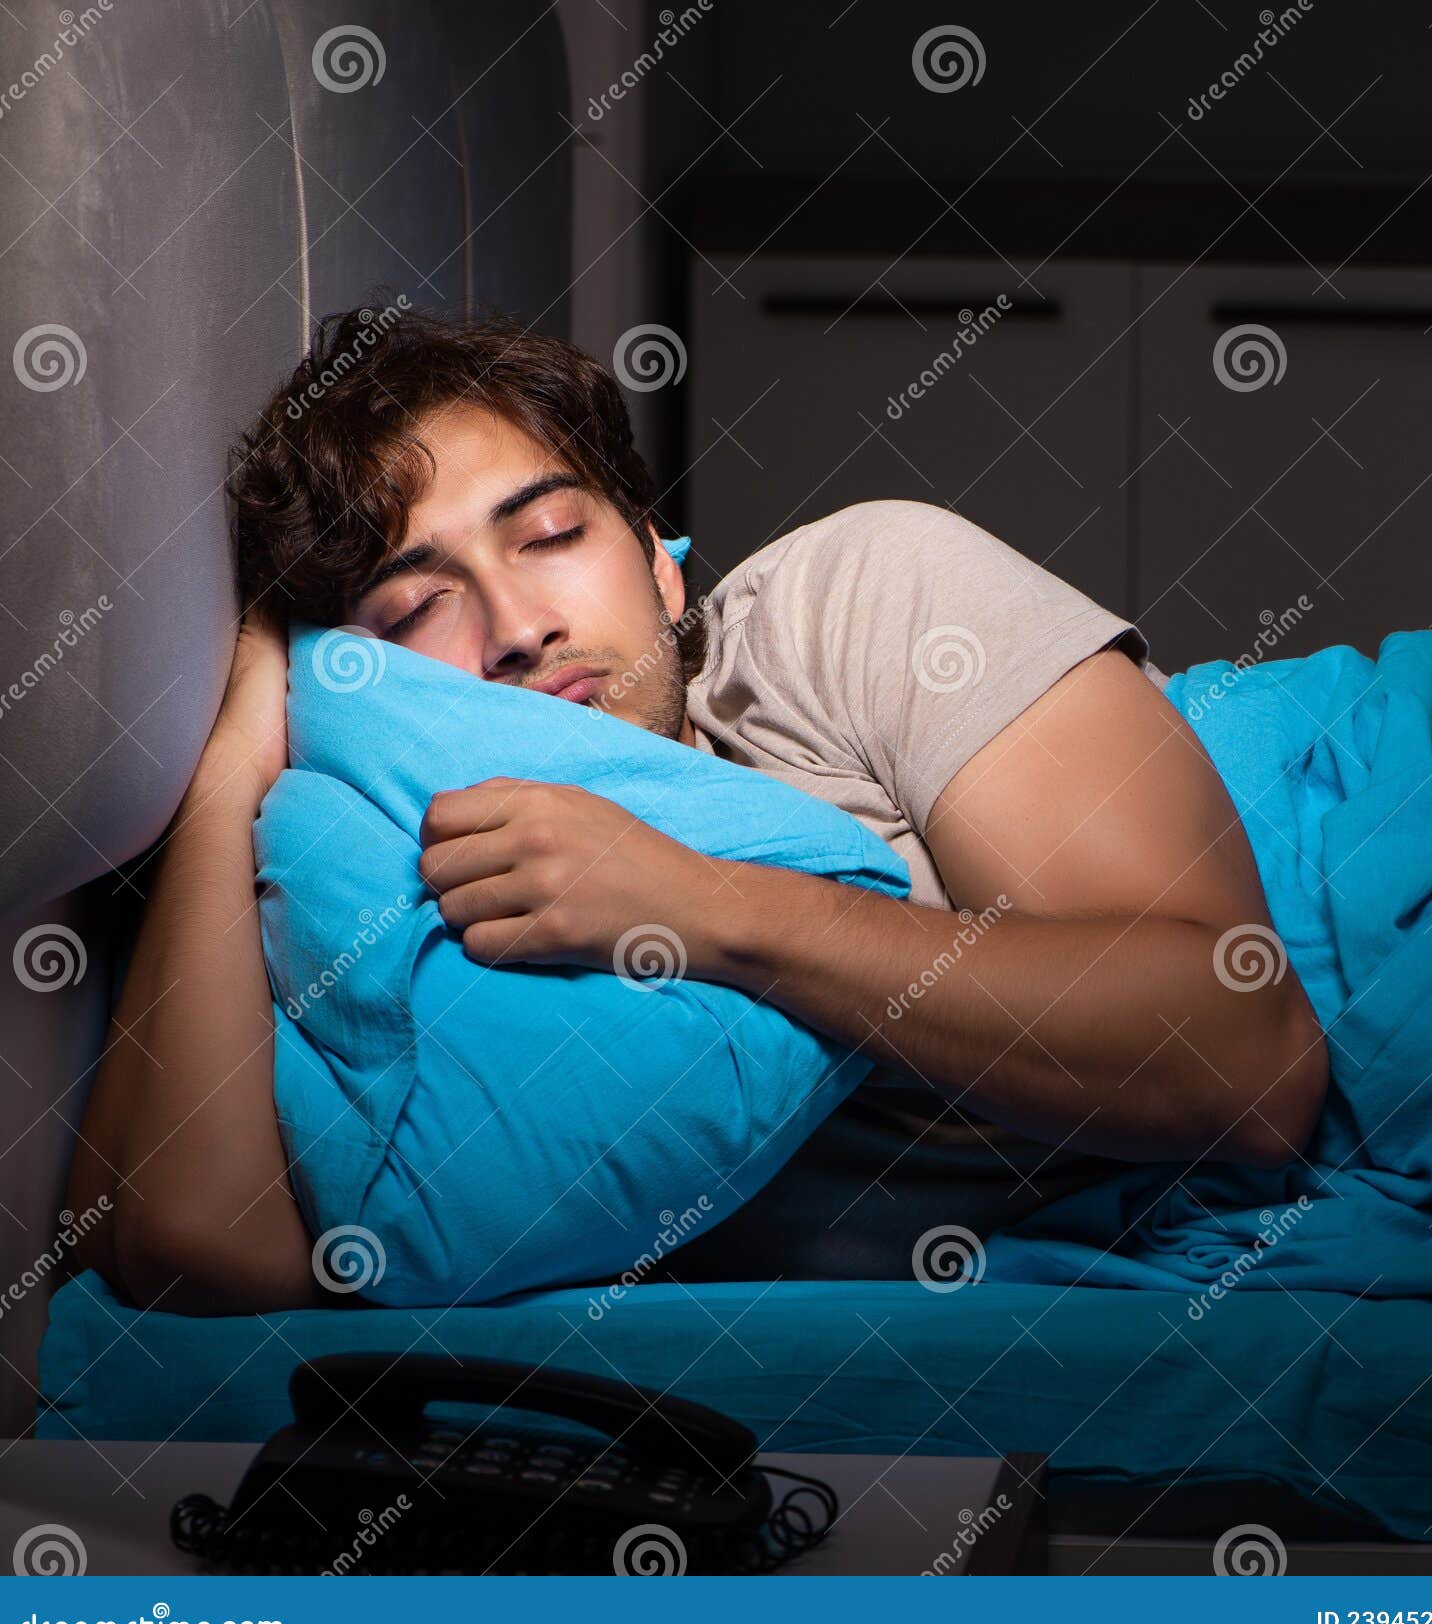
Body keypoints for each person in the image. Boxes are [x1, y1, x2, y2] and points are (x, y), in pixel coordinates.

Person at [67, 307, 1328, 1314]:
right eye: (413, 609)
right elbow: (184, 1239)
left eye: (551, 533)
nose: (517, 630)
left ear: (663, 559)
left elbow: (1251, 1053)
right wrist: (233, 760)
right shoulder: (378, 871)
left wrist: (692, 901)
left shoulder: (861, 601)